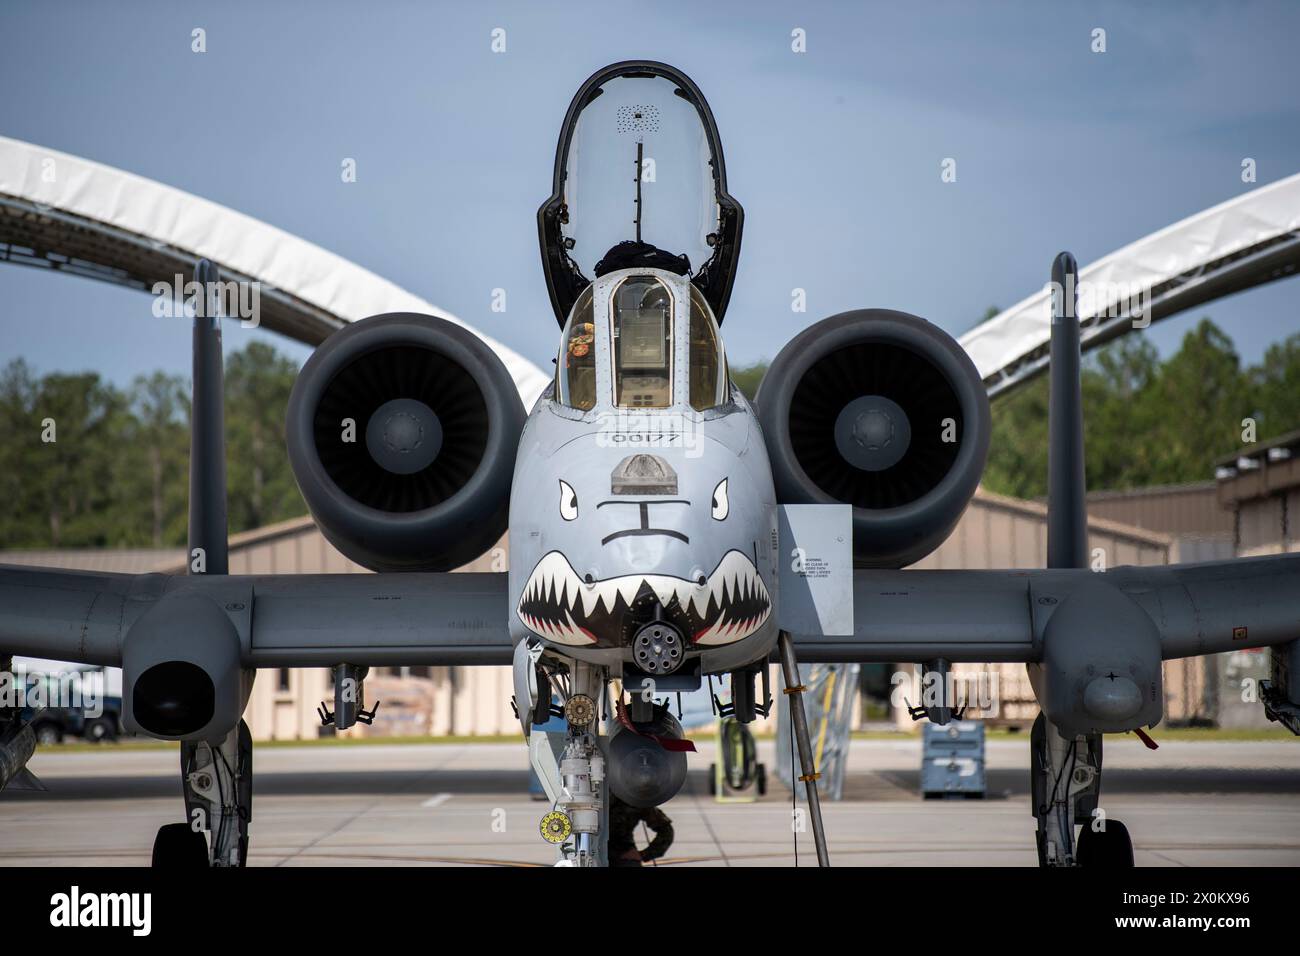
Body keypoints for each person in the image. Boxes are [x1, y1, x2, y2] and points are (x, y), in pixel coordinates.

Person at [608, 793, 673, 867]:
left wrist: (644, 854)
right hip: (594, 850)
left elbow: (666, 830)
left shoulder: (630, 797)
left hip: (621, 853)